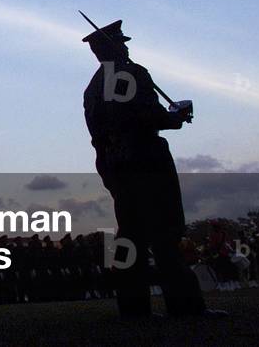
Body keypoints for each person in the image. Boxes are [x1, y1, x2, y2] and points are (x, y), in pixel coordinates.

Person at [82, 19, 225, 319]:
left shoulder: (92, 88)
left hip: (116, 165)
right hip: (146, 160)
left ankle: (133, 308)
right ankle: (185, 306)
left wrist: (108, 171)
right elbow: (147, 116)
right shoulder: (132, 73)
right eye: (121, 42)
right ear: (113, 47)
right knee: (164, 233)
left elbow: (99, 134)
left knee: (130, 237)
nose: (126, 46)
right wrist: (176, 117)